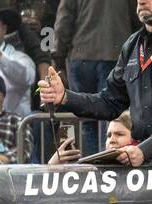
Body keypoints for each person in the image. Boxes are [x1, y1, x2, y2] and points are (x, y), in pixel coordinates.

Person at [39, 0, 152, 166]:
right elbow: (109, 102)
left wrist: (143, 151)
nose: (141, 1)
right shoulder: (133, 45)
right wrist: (65, 97)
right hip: (149, 158)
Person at [52, 0, 140, 153]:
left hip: (81, 55)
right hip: (115, 52)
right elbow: (138, 17)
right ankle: (107, 162)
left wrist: (58, 59)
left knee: (86, 119)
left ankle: (94, 165)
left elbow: (63, 22)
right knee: (111, 116)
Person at [48, 112, 134, 164]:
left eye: (119, 134)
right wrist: (52, 166)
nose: (111, 140)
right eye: (109, 135)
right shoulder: (94, 168)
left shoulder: (146, 163)